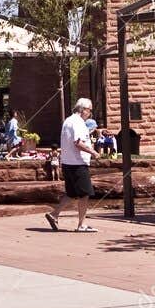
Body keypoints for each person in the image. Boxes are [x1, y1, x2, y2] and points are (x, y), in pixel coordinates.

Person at [46, 97, 97, 233]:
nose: (90, 114)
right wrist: (93, 152)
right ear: (83, 109)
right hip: (77, 163)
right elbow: (78, 143)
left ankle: (54, 214)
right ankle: (81, 225)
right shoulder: (78, 123)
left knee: (72, 193)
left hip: (67, 162)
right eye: (89, 111)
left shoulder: (68, 121)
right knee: (85, 194)